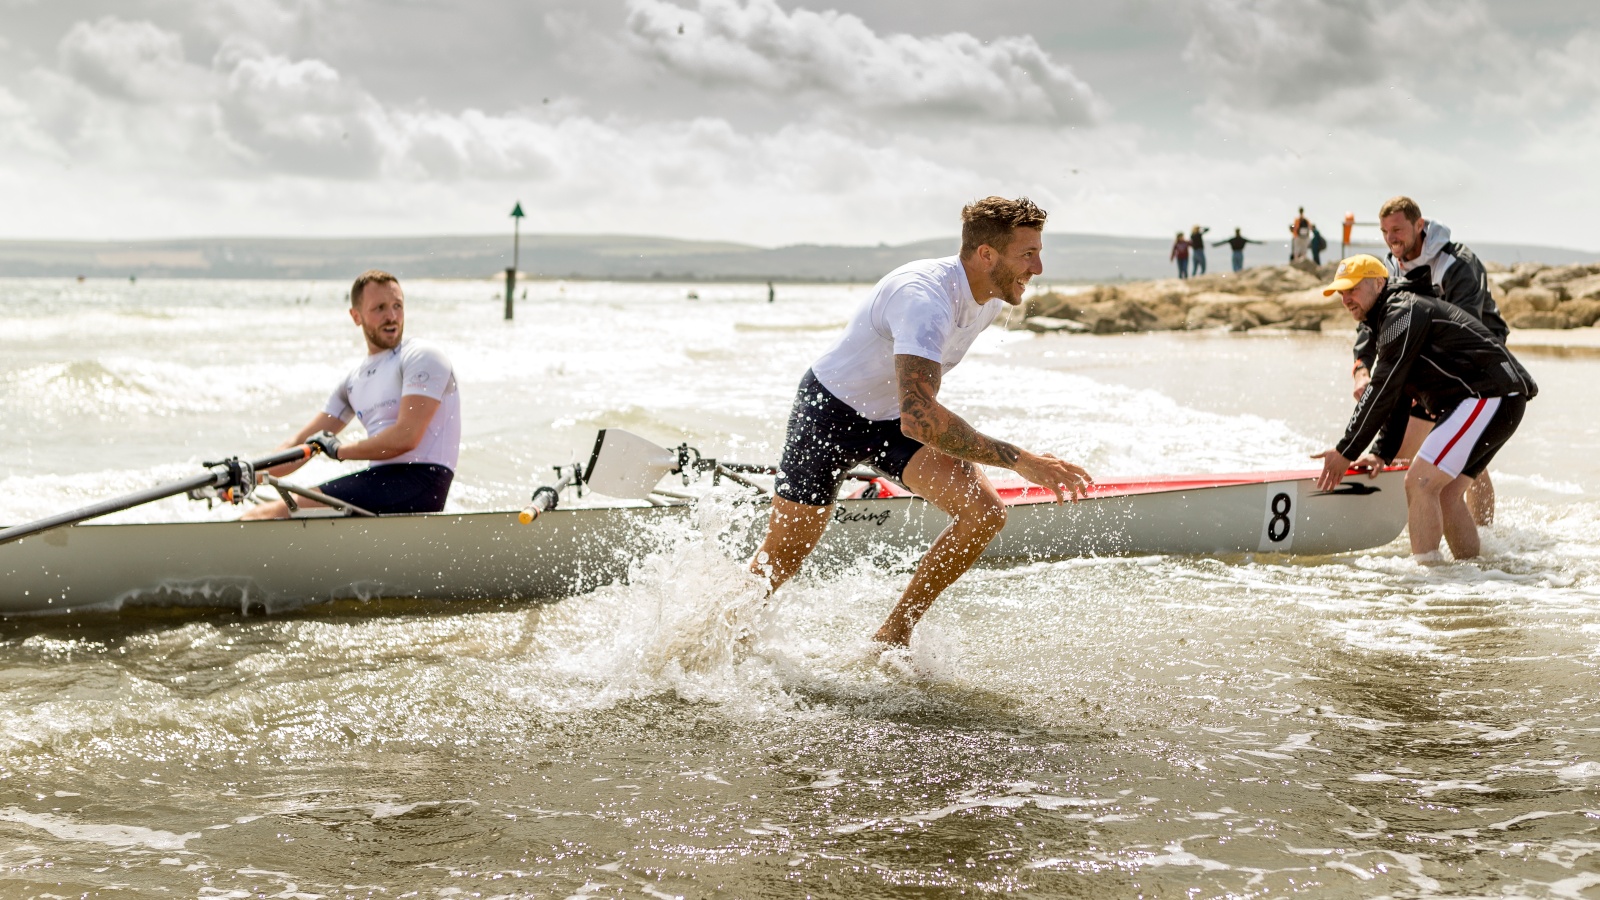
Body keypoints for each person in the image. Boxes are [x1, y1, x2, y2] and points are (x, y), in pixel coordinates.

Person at [749, 196, 1092, 646]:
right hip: (830, 412)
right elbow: (920, 417)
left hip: (893, 418)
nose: (1038, 268)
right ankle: (713, 642)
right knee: (785, 556)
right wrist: (1020, 460)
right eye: (1028, 255)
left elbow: (912, 408)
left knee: (984, 514)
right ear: (986, 254)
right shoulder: (924, 297)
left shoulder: (990, 296)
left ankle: (892, 636)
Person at [1312, 255, 1536, 563]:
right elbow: (1398, 391)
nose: (1345, 297)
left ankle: (1427, 584)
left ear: (1379, 283)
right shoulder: (1388, 317)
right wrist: (1382, 452)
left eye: (1352, 288)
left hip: (1488, 394)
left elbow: (1383, 387)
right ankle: (1475, 579)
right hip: (1496, 398)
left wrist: (1345, 451)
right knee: (1445, 493)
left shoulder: (1401, 312)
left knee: (1420, 483)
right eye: (1340, 291)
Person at [241, 270, 461, 520]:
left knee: (268, 514)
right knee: (268, 510)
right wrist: (247, 473)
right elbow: (301, 443)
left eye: (397, 306)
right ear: (356, 316)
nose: (391, 316)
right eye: (379, 308)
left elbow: (406, 437)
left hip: (421, 481)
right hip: (380, 484)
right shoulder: (352, 381)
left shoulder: (422, 356)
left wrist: (340, 450)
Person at [1351, 196, 1510, 526]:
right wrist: (1361, 367)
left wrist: (1406, 370)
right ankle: (1472, 530)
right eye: (1384, 231)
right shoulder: (1390, 267)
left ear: (1419, 225)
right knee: (1458, 454)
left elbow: (1466, 327)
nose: (1391, 238)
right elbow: (1372, 321)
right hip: (1427, 362)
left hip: (1475, 363)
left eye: (1397, 229)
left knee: (1417, 449)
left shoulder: (1457, 263)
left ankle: (1451, 529)